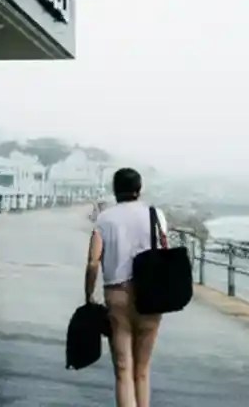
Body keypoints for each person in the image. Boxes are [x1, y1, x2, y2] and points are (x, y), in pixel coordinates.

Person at [85, 168, 167, 407]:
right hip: (150, 295)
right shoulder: (156, 214)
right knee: (142, 370)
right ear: (139, 190)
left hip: (117, 295)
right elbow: (164, 253)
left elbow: (93, 262)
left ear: (115, 189)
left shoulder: (105, 218)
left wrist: (89, 294)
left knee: (123, 369)